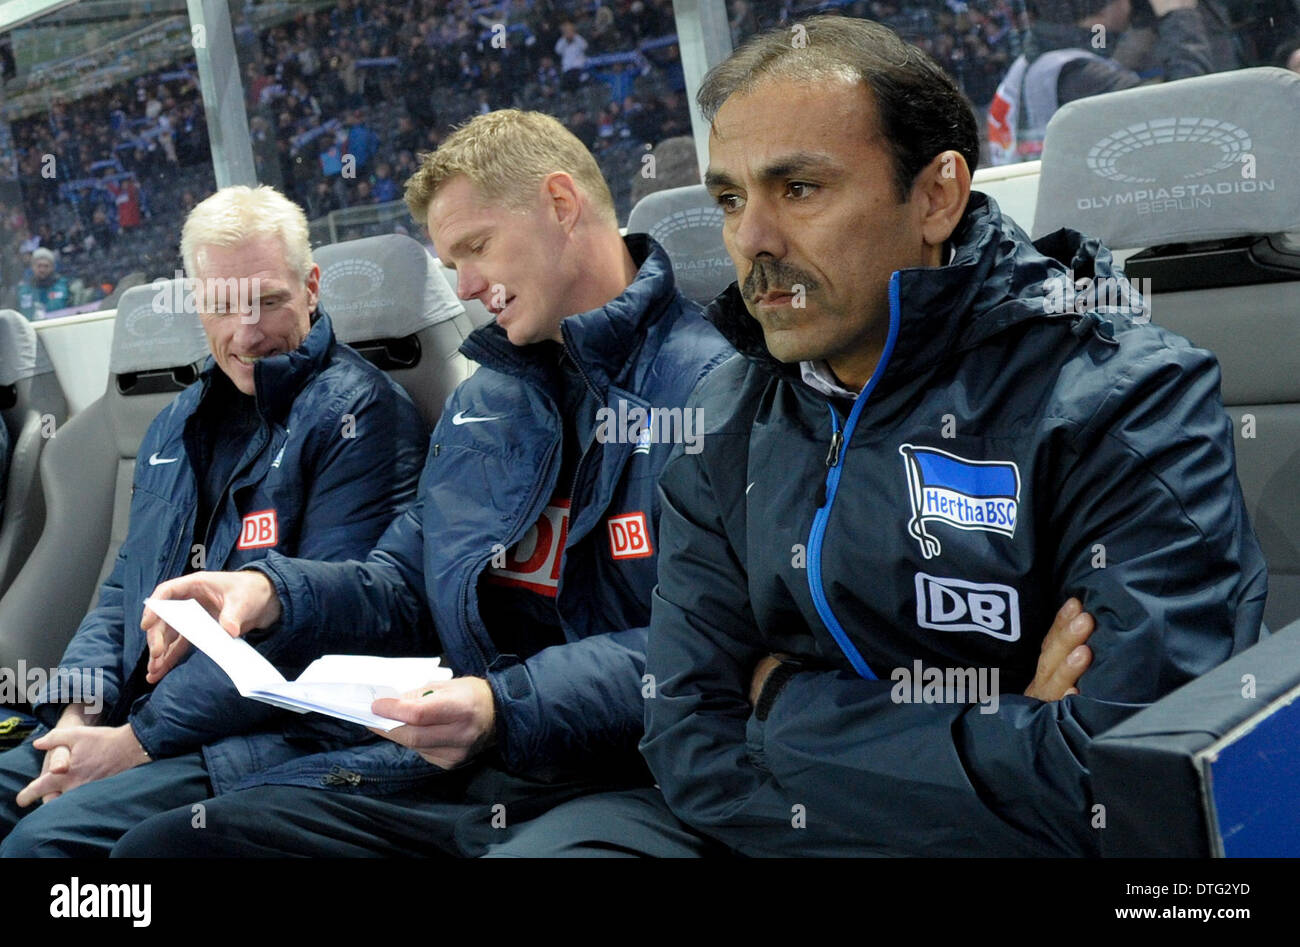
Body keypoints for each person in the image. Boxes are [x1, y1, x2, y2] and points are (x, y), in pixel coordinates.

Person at [640, 15, 1266, 856]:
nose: (751, 239)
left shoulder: (1122, 396)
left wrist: (780, 706)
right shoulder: (722, 417)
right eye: (729, 199)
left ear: (936, 197)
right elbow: (690, 751)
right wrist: (1011, 730)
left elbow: (1125, 785)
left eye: (799, 189)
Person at [112, 109, 735, 857]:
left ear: (561, 204)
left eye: (476, 248)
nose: (465, 286)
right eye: (451, 262)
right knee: (171, 848)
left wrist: (502, 704)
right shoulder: (484, 401)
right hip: (468, 767)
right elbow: (402, 587)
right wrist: (273, 593)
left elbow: (710, 645)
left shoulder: (713, 390)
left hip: (633, 777)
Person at [0, 185, 428, 856]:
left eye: (268, 300)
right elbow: (124, 590)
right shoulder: (174, 424)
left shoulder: (360, 417)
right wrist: (77, 714)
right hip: (138, 720)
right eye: (224, 305)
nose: (246, 332)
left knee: (41, 845)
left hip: (264, 739)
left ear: (311, 287)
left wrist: (132, 743)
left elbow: (320, 631)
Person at [988, 0, 1213, 164]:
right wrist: (1180, 15)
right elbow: (1182, 115)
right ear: (1106, 8)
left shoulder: (1038, 61)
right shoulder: (1078, 74)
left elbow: (1109, 61)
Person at [16, 248, 72, 321]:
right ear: (32, 267)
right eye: (39, 266)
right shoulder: (23, 291)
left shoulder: (64, 286)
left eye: (46, 266)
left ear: (52, 267)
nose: (42, 270)